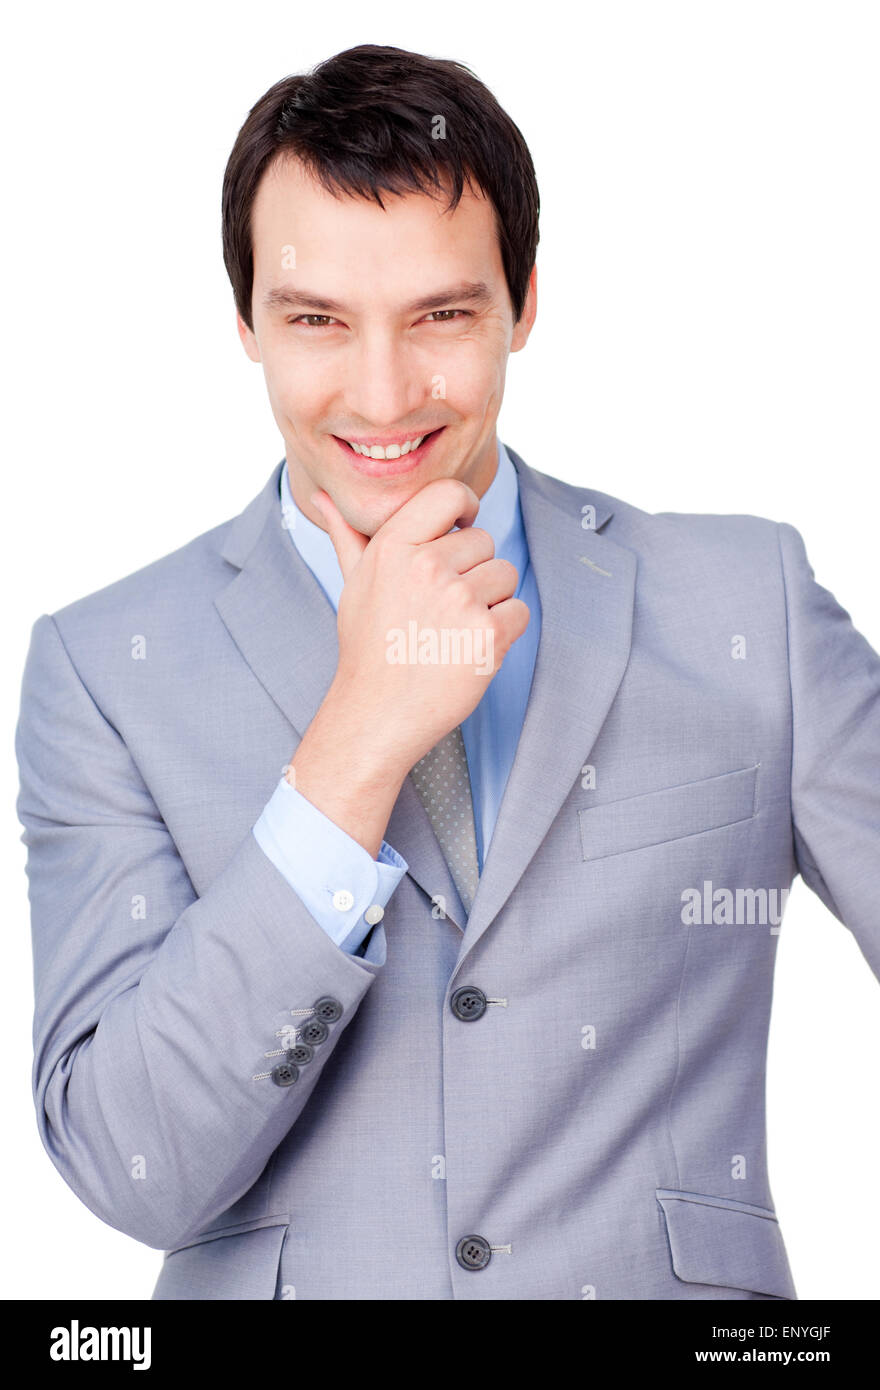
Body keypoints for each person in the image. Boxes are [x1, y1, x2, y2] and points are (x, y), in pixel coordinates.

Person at [15, 43, 880, 1301]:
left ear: (524, 301)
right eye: (317, 320)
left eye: (441, 314)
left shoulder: (744, 604)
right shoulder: (100, 671)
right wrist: (354, 747)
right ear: (246, 322)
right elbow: (131, 1164)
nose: (381, 393)